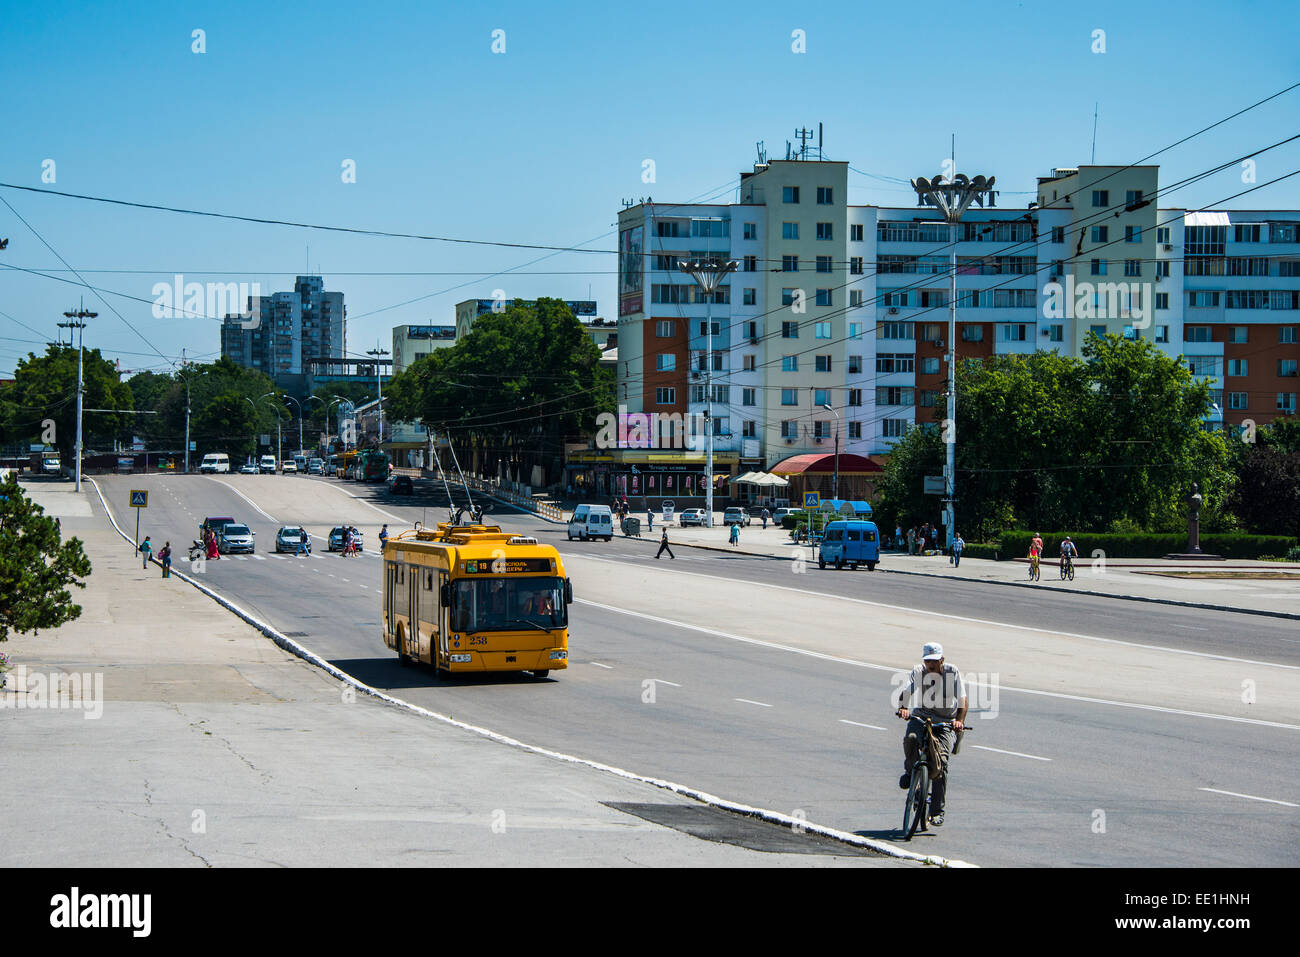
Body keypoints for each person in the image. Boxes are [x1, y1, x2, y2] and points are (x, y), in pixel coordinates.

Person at [894, 642, 967, 828]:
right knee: (911, 739)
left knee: (941, 764)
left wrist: (959, 721)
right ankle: (910, 772)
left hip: (944, 721)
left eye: (935, 661)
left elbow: (962, 700)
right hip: (922, 716)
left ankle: (936, 812)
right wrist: (903, 707)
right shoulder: (919, 671)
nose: (931, 665)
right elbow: (907, 691)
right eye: (928, 661)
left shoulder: (952, 672)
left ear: (942, 660)